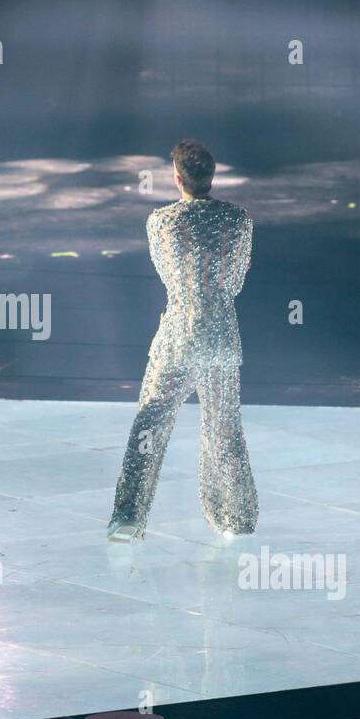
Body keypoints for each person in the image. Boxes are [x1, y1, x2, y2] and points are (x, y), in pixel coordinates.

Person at [107, 138, 258, 543]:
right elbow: (237, 279)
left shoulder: (161, 222)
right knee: (224, 427)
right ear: (211, 176)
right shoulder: (239, 219)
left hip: (180, 331)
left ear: (177, 179)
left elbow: (166, 273)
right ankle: (236, 519)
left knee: (151, 421)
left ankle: (128, 517)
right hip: (222, 334)